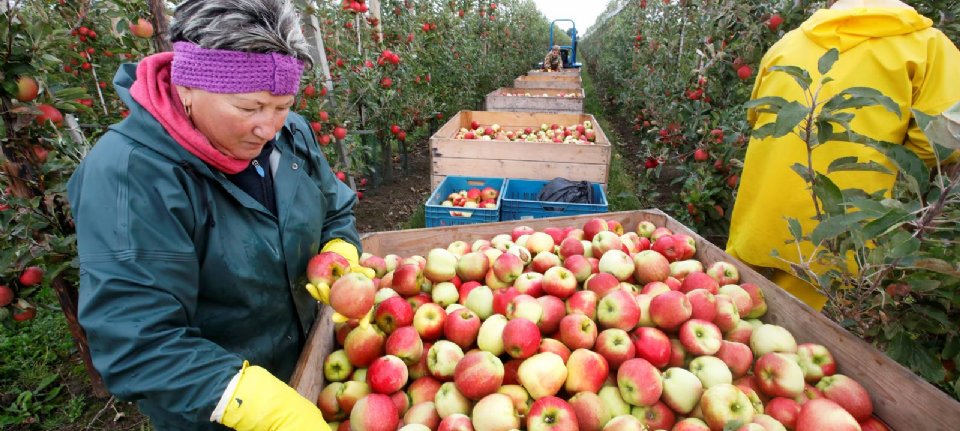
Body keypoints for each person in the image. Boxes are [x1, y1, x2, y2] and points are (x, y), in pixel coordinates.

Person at [67, 0, 371, 429]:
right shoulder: (129, 176)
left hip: (313, 370)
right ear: (186, 86)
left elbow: (334, 208)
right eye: (248, 109)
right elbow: (136, 340)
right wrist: (249, 403)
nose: (268, 129)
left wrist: (338, 248)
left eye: (282, 105)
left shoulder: (291, 135)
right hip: (213, 410)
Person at [726, 0, 960, 310]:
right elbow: (941, 144)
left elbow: (760, 120)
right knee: (803, 344)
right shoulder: (929, 48)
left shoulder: (787, 44)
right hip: (836, 248)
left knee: (733, 319)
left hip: (754, 233)